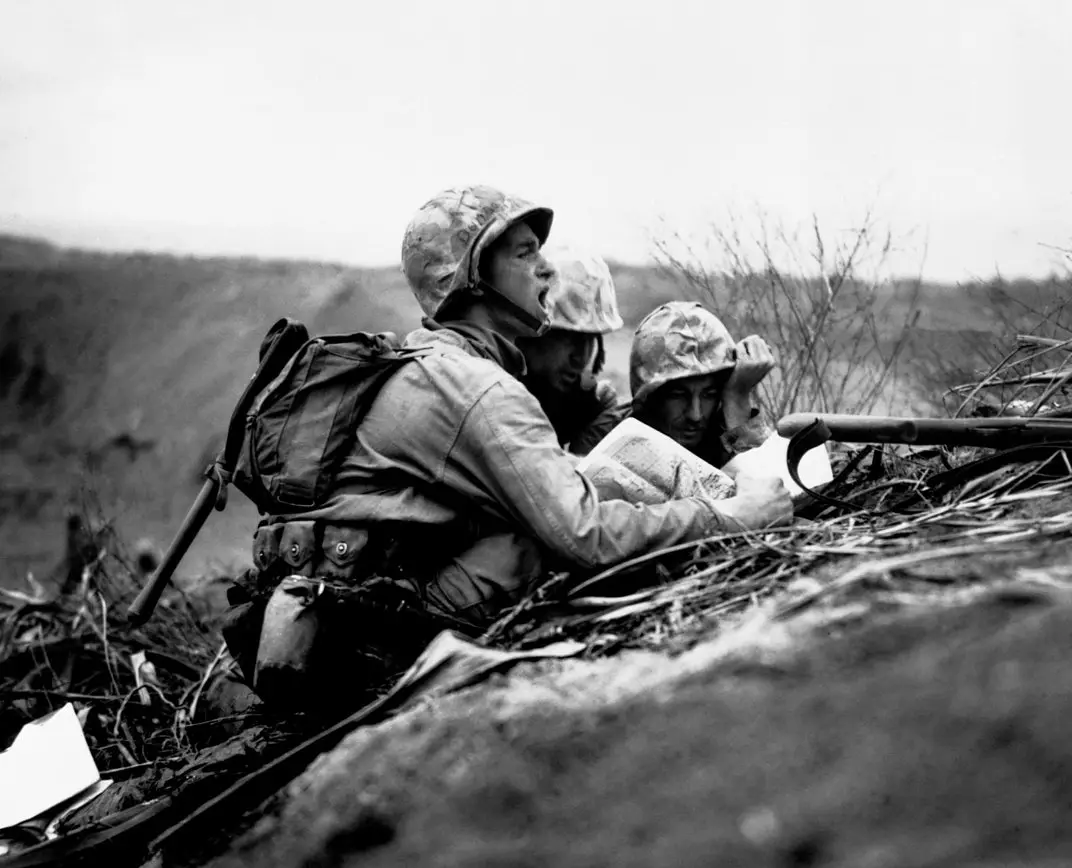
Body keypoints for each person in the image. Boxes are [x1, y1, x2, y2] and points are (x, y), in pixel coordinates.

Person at [247, 186, 793, 633]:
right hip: (381, 628)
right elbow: (586, 536)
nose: (546, 271)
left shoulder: (433, 363)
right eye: (525, 253)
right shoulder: (478, 389)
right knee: (539, 543)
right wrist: (727, 518)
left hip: (364, 606)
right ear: (472, 276)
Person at [630, 301, 775, 468]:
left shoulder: (722, 440)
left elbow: (766, 486)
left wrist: (737, 397)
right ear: (649, 397)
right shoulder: (612, 440)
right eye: (678, 395)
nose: (696, 415)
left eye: (709, 395)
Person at [517, 247, 628, 455]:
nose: (581, 358)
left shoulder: (591, 402)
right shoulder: (492, 393)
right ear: (528, 333)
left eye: (590, 339)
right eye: (566, 338)